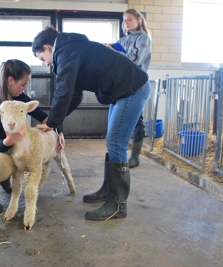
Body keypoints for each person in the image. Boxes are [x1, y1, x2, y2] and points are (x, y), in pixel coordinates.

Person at [32, 26, 151, 221]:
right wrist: (52, 120)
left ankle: (118, 204)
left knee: (116, 143)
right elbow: (74, 95)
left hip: (132, 88)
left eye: (42, 57)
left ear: (47, 47)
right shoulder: (72, 49)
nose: (45, 63)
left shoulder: (66, 51)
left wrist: (52, 121)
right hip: (122, 91)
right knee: (112, 142)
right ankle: (108, 191)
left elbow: (64, 91)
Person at [0, 59, 51, 214]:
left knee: (19, 157)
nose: (24, 88)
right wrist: (12, 138)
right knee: (5, 163)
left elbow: (43, 116)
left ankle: (6, 182)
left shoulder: (19, 99)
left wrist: (56, 130)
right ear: (10, 80)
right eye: (23, 84)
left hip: (4, 149)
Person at [107, 9, 152, 169]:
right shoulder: (122, 40)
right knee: (116, 133)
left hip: (136, 84)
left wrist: (115, 51)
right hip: (122, 85)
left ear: (139, 20)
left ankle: (134, 156)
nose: (126, 23)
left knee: (137, 122)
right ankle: (120, 159)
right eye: (124, 20)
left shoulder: (144, 39)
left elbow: (136, 59)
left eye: (129, 20)